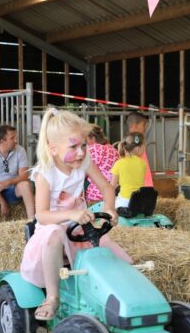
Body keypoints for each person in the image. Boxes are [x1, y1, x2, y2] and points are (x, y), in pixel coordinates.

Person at [21, 107, 132, 320]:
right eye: (73, 146)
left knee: (121, 259)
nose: (81, 151)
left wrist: (109, 208)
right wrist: (71, 214)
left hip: (79, 226)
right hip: (52, 228)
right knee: (54, 234)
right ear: (53, 149)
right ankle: (52, 297)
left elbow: (108, 189)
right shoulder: (45, 173)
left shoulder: (84, 163)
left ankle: (122, 295)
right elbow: (42, 215)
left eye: (83, 145)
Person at [111, 133, 147, 210]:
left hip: (124, 201)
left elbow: (112, 186)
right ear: (138, 149)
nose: (144, 149)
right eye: (144, 147)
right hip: (140, 201)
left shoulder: (119, 163)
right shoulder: (143, 163)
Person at [84, 125, 118, 204]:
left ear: (93, 138)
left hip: (96, 193)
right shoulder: (113, 149)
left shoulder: (93, 148)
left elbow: (84, 172)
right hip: (113, 193)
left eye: (86, 140)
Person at [124, 111, 155, 188]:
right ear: (135, 126)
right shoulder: (136, 139)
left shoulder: (126, 140)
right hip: (142, 183)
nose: (145, 129)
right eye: (143, 125)